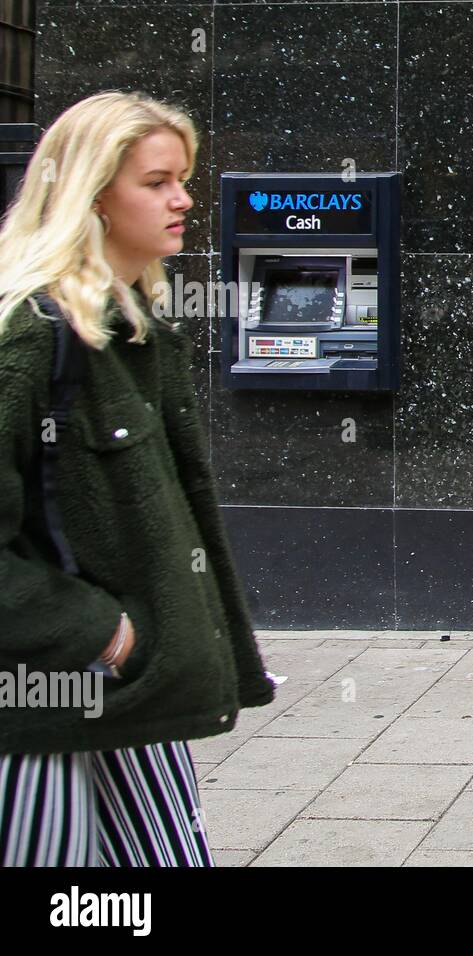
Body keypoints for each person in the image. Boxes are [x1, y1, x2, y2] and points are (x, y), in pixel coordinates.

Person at [0, 91, 276, 866]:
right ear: (91, 194)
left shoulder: (129, 330)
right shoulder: (31, 337)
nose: (184, 198)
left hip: (137, 695)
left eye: (183, 178)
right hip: (44, 706)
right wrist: (106, 635)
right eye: (157, 181)